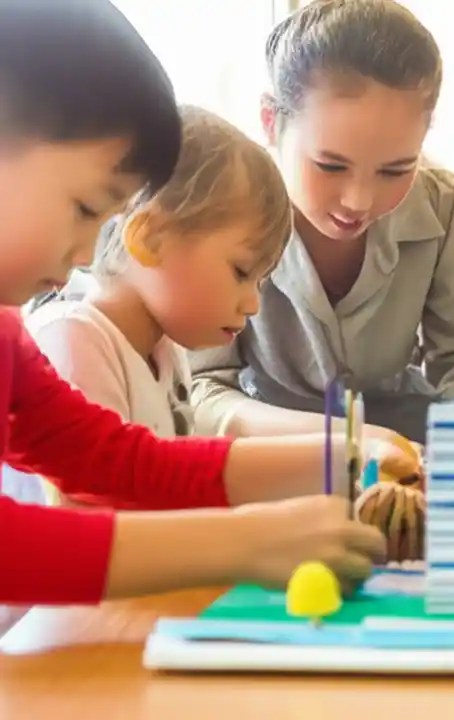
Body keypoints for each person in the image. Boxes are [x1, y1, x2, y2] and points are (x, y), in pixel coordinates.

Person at [0, 0, 384, 606]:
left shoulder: (8, 337)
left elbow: (122, 465)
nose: (86, 252)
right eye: (85, 208)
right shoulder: (70, 330)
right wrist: (247, 542)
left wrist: (348, 455)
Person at [11, 106, 420, 508]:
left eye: (260, 281)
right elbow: (103, 513)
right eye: (241, 271)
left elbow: (176, 480)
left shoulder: (164, 352)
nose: (253, 304)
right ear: (151, 237)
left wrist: (352, 453)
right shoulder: (75, 340)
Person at [190, 0, 454, 446]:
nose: (358, 201)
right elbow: (203, 389)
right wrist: (346, 439)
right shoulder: (218, 207)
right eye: (331, 166)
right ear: (270, 121)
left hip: (407, 444)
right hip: (266, 450)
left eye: (396, 170)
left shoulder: (446, 204)